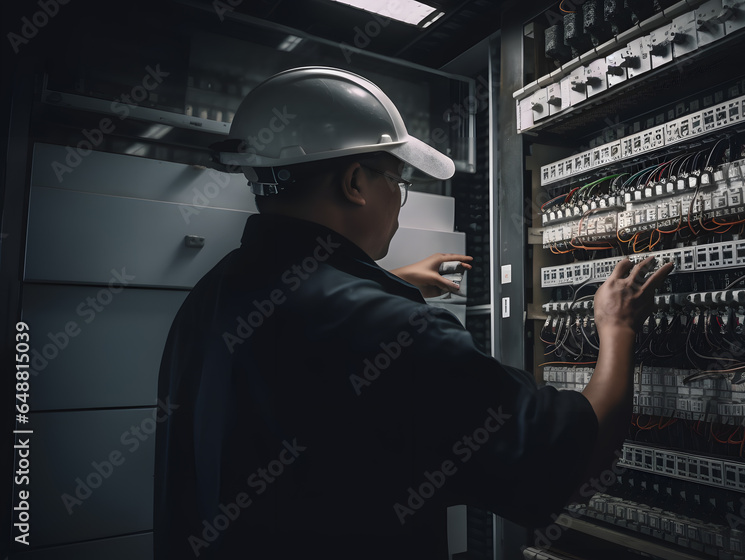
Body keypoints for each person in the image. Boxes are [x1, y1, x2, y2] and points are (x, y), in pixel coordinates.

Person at [153, 67, 673, 559]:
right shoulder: (397, 331)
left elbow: (300, 358)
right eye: (397, 181)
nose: (400, 201)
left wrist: (385, 284)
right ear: (355, 182)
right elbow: (577, 461)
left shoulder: (213, 295)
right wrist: (618, 326)